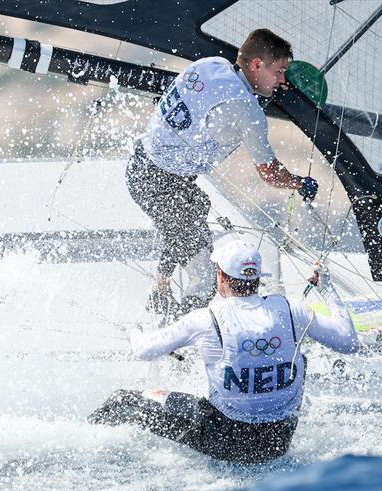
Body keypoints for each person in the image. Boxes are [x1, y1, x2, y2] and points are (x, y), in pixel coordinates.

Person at [87, 240, 359, 464]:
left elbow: (142, 350)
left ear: (221, 277)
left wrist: (132, 331)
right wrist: (326, 287)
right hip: (278, 442)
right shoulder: (292, 309)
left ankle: (85, 442)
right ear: (257, 278)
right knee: (296, 360)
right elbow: (349, 342)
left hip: (225, 441)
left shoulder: (204, 319)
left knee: (122, 400)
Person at [126, 28, 319, 317]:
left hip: (142, 165)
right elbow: (269, 173)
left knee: (194, 208)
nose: (282, 81)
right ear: (257, 65)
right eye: (279, 72)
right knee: (206, 279)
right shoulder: (247, 111)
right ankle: (180, 338)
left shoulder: (209, 65)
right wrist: (299, 182)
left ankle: (160, 288)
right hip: (162, 184)